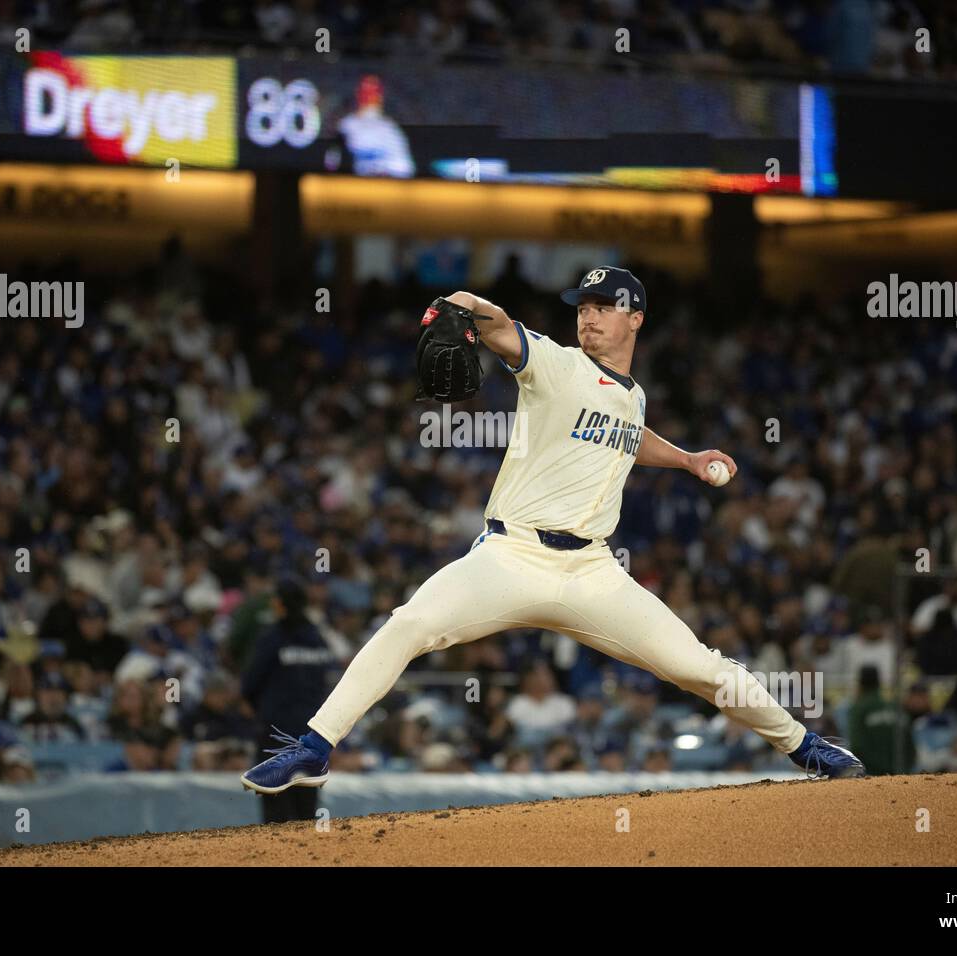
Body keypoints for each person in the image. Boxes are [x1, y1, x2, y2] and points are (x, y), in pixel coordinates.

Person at [242, 266, 865, 796]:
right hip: (511, 557)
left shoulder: (633, 395)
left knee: (700, 666)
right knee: (410, 624)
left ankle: (806, 747)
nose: (589, 318)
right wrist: (465, 306)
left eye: (603, 308)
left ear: (636, 319)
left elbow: (626, 434)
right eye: (583, 308)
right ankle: (313, 747)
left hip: (592, 572)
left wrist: (686, 459)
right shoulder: (558, 366)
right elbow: (503, 330)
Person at [240, 577, 338, 822]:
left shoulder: (272, 637)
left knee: (275, 802)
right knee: (306, 804)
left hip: (275, 732)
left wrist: (261, 711)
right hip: (311, 734)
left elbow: (249, 684)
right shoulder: (318, 639)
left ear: (280, 604)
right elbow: (324, 683)